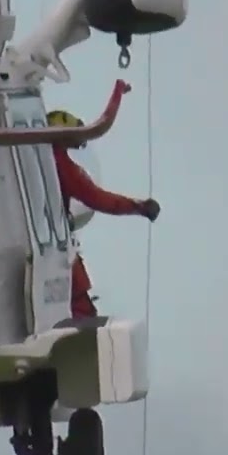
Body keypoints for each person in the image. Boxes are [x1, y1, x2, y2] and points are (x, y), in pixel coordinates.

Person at [45, 109, 160, 319]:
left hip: (38, 245)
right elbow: (96, 198)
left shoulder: (37, 157)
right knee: (78, 302)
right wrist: (139, 206)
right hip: (49, 255)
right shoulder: (58, 162)